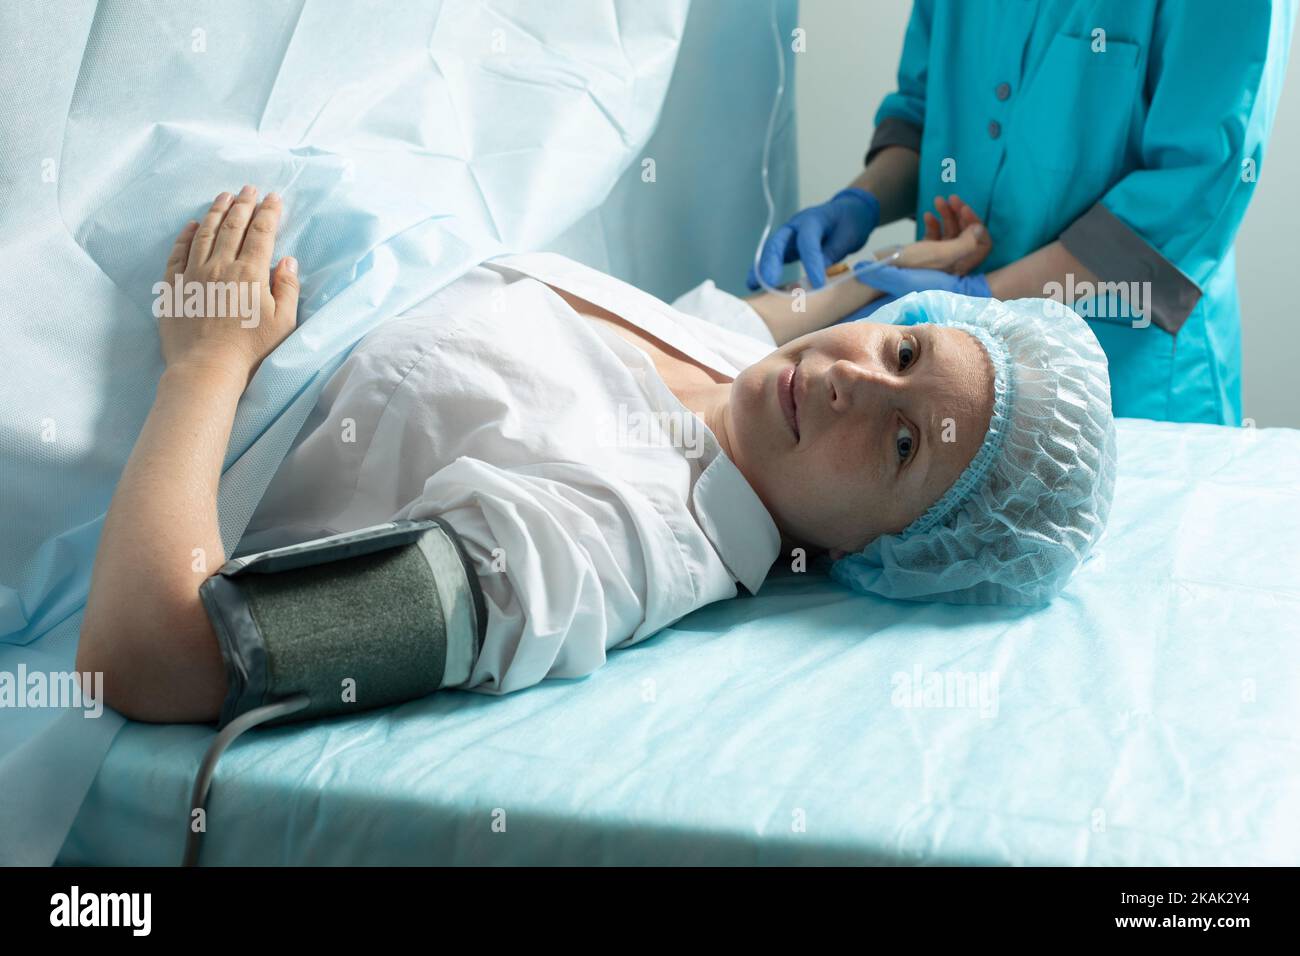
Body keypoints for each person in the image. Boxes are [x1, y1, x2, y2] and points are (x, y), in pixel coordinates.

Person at [76, 186, 1115, 724]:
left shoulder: (590, 554)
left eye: (899, 443)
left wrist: (201, 365)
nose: (854, 379)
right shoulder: (753, 391)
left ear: (882, 552)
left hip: (99, 375)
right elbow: (744, 326)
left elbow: (157, 656)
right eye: (903, 348)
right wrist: (885, 277)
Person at [752, 0, 1296, 425]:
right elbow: (921, 108)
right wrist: (860, 201)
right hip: (953, 363)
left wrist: (979, 297)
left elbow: (1192, 195)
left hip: (1128, 373)